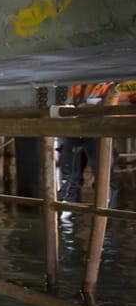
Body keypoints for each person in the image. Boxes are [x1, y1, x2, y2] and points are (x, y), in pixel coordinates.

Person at [57, 82, 123, 211]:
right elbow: (68, 106)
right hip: (76, 131)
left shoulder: (114, 86)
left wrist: (82, 109)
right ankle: (64, 214)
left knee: (105, 178)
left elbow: (111, 110)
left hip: (100, 132)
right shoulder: (79, 84)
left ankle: (106, 215)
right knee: (69, 177)